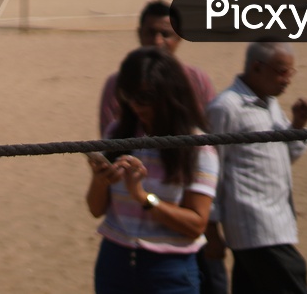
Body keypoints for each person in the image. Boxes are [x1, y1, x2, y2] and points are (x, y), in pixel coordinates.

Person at [85, 47, 217, 293]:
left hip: (169, 270)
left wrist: (143, 197)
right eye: (128, 96)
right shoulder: (117, 133)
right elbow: (95, 209)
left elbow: (196, 224)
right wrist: (99, 180)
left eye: (144, 97)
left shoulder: (198, 147)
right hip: (114, 262)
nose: (135, 106)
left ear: (168, 95)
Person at [206, 41, 307, 294]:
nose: (287, 80)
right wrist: (211, 230)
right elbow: (210, 170)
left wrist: (298, 124)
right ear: (256, 67)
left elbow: (285, 157)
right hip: (255, 227)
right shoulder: (226, 108)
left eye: (290, 72)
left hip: (279, 223)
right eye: (281, 71)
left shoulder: (271, 102)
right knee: (293, 274)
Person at [98, 0, 215, 136]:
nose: (157, 41)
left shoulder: (197, 80)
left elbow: (211, 131)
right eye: (151, 33)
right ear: (139, 34)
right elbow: (110, 141)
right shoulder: (117, 84)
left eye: (165, 34)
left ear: (179, 37)